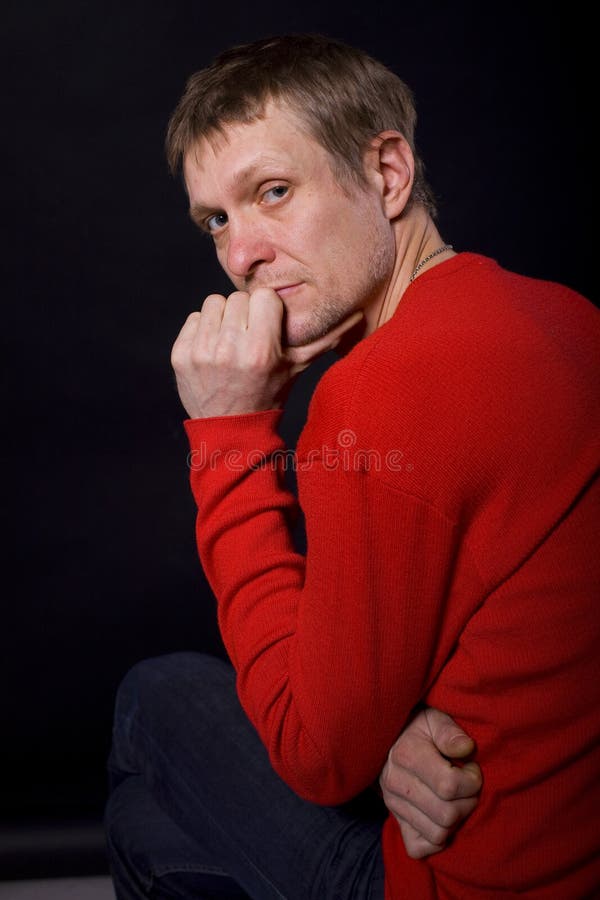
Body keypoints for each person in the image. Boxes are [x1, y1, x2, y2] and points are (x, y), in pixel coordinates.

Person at [105, 33, 600, 899]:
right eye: (217, 220)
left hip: (454, 883)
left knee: (154, 697)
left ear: (388, 174)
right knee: (145, 821)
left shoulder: (380, 390)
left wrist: (228, 435)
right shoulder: (571, 317)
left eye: (273, 192)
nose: (241, 256)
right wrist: (396, 735)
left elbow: (316, 755)